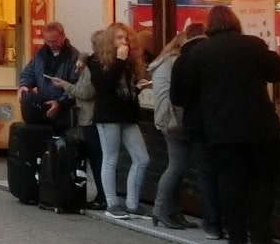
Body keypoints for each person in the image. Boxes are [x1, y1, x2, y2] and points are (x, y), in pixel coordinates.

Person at [171, 5, 280, 244]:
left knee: (230, 182)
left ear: (209, 26)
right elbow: (278, 71)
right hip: (258, 127)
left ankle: (235, 237)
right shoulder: (252, 45)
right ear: (235, 21)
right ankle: (260, 237)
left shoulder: (199, 52)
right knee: (261, 183)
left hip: (221, 130)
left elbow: (181, 94)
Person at [84, 21, 149, 218]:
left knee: (142, 159)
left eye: (126, 37)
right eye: (119, 38)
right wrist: (119, 62)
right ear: (109, 41)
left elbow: (125, 91)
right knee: (110, 158)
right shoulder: (96, 61)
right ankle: (112, 203)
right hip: (108, 115)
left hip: (128, 115)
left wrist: (138, 87)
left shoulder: (130, 62)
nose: (124, 41)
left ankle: (132, 203)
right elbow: (104, 86)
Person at [148, 22, 203, 229]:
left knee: (177, 165)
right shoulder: (176, 62)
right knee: (177, 166)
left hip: (166, 119)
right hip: (176, 119)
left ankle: (173, 211)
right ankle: (161, 208)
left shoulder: (163, 61)